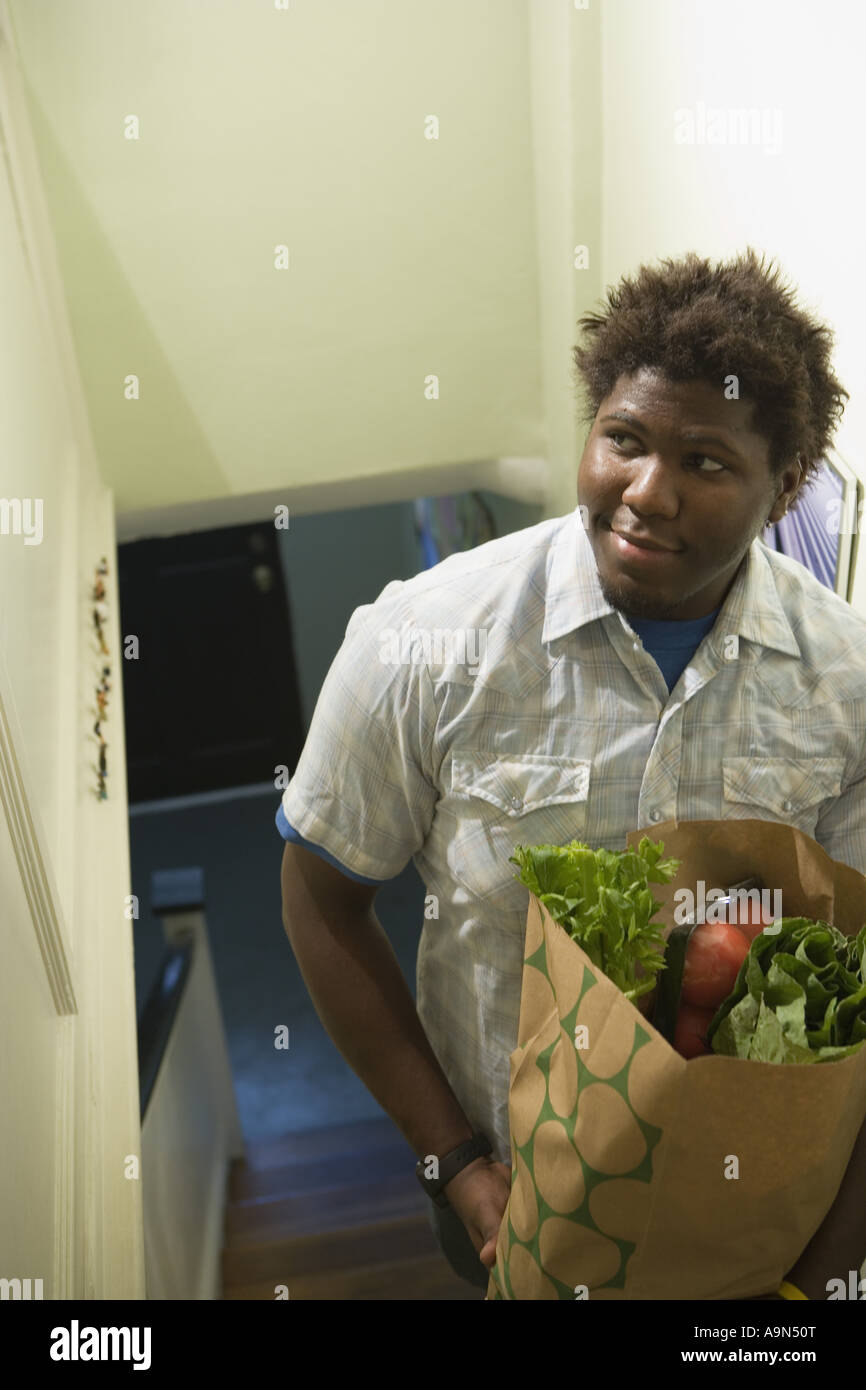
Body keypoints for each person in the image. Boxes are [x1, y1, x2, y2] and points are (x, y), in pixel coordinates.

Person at [279, 246, 866, 1297]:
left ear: (781, 488)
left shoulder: (846, 686)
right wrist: (450, 1161)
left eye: (705, 461)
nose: (646, 491)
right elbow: (323, 903)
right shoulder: (423, 640)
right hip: (505, 1194)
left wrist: (825, 1262)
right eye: (623, 440)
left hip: (751, 1216)